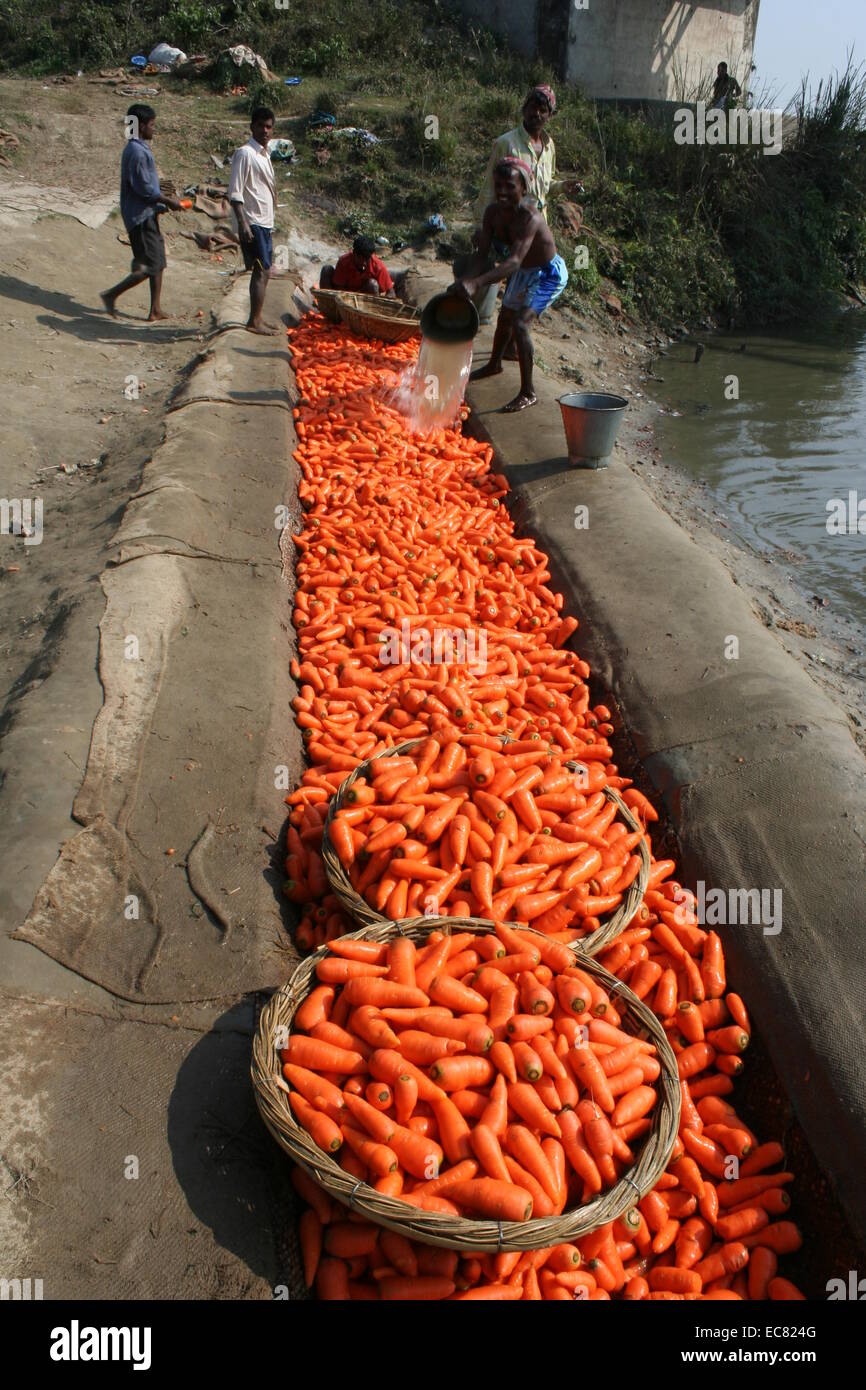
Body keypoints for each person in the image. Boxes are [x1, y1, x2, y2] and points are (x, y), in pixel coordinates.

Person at [452, 158, 568, 414]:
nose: (503, 192)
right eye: (499, 185)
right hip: (522, 270)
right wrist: (466, 282)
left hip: (546, 274)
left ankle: (528, 392)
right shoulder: (492, 213)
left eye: (510, 186)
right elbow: (482, 255)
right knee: (505, 318)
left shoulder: (530, 218)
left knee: (520, 324)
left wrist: (478, 282)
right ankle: (495, 364)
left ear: (523, 189)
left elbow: (514, 261)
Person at [467, 85, 559, 328]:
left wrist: (563, 187)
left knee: (522, 282)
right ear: (523, 109)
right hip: (505, 223)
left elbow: (544, 185)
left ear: (549, 116)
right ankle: (479, 319)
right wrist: (480, 225)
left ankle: (508, 336)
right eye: (532, 108)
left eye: (543, 110)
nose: (536, 114)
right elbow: (489, 186)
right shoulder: (506, 143)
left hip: (532, 227)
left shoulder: (549, 147)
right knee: (497, 267)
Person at [101, 104, 184, 320]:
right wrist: (168, 201)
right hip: (141, 216)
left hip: (146, 213)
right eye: (152, 125)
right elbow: (145, 189)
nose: (154, 129)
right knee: (151, 264)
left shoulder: (137, 147)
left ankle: (155, 309)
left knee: (157, 262)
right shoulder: (137, 152)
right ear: (142, 126)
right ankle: (111, 295)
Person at [228, 106, 278, 335]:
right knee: (261, 270)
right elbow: (235, 192)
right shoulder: (245, 153)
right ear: (252, 127)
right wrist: (243, 223)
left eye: (269, 127)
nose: (265, 130)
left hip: (265, 222)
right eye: (261, 126)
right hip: (253, 220)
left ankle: (256, 318)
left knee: (265, 271)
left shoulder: (265, 155)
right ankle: (253, 322)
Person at [320, 236, 397, 298]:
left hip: (363, 299)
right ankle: (328, 307)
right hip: (342, 296)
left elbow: (391, 292)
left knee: (373, 285)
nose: (364, 263)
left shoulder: (378, 266)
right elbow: (338, 288)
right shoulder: (344, 261)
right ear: (354, 254)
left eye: (366, 259)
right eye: (360, 258)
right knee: (326, 269)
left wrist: (387, 301)